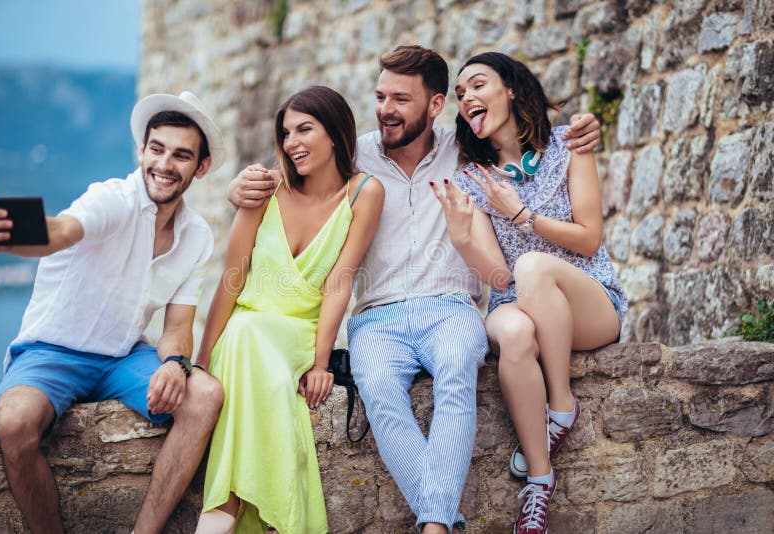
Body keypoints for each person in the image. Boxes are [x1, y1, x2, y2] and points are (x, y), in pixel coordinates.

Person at [227, 46, 601, 534]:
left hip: (451, 307)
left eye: (401, 99)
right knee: (379, 391)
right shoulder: (353, 154)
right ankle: (440, 524)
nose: (386, 109)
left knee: (457, 371)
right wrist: (241, 188)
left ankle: (435, 526)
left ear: (436, 104)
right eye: (381, 97)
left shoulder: (466, 152)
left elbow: (521, 140)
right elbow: (294, 170)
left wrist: (585, 129)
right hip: (375, 316)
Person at [0, 91, 226, 534]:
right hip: (51, 351)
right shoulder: (112, 199)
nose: (165, 164)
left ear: (200, 167)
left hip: (121, 357)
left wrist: (175, 363)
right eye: (157, 149)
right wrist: (12, 233)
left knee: (205, 395)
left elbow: (178, 327)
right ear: (142, 151)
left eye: (181, 155)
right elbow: (60, 231)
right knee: (13, 422)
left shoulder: (197, 236)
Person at [438, 52, 627, 533]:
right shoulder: (472, 180)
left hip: (590, 304)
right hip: (517, 301)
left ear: (511, 90)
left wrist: (522, 216)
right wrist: (462, 240)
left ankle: (560, 404)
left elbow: (589, 238)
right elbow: (500, 279)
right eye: (460, 94)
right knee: (513, 332)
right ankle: (539, 483)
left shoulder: (568, 145)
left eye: (478, 85)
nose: (467, 97)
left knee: (532, 265)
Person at [193, 86, 384, 534]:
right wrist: (200, 363)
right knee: (245, 334)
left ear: (334, 133)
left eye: (304, 129)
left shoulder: (364, 193)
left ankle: (223, 511)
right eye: (286, 132)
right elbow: (232, 278)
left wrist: (320, 363)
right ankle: (247, 512)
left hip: (299, 334)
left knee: (250, 339)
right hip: (244, 331)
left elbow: (339, 283)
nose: (292, 142)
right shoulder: (266, 189)